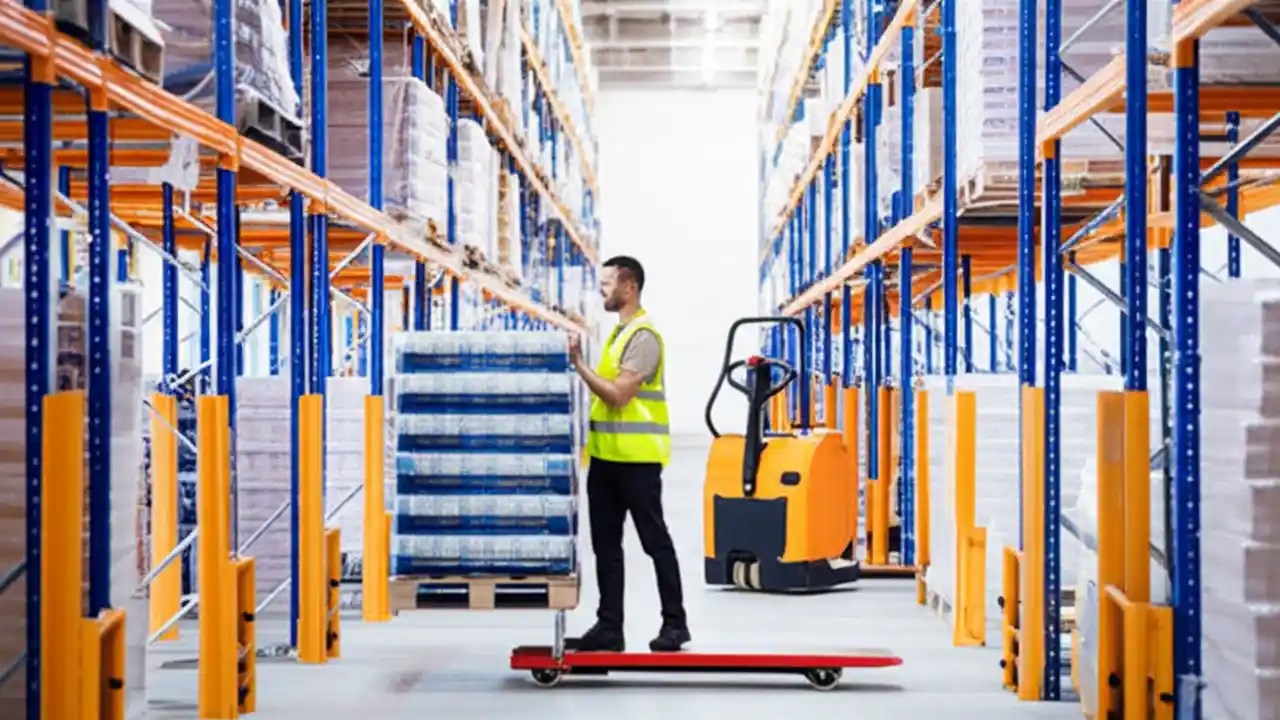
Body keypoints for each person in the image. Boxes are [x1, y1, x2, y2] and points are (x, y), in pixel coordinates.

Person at [566, 255, 691, 653]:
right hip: (606, 460)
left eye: (607, 283)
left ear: (629, 286)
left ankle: (675, 624)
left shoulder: (643, 336)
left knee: (655, 541)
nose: (601, 289)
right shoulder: (618, 334)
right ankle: (609, 627)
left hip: (637, 462)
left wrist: (579, 365)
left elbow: (618, 396)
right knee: (605, 546)